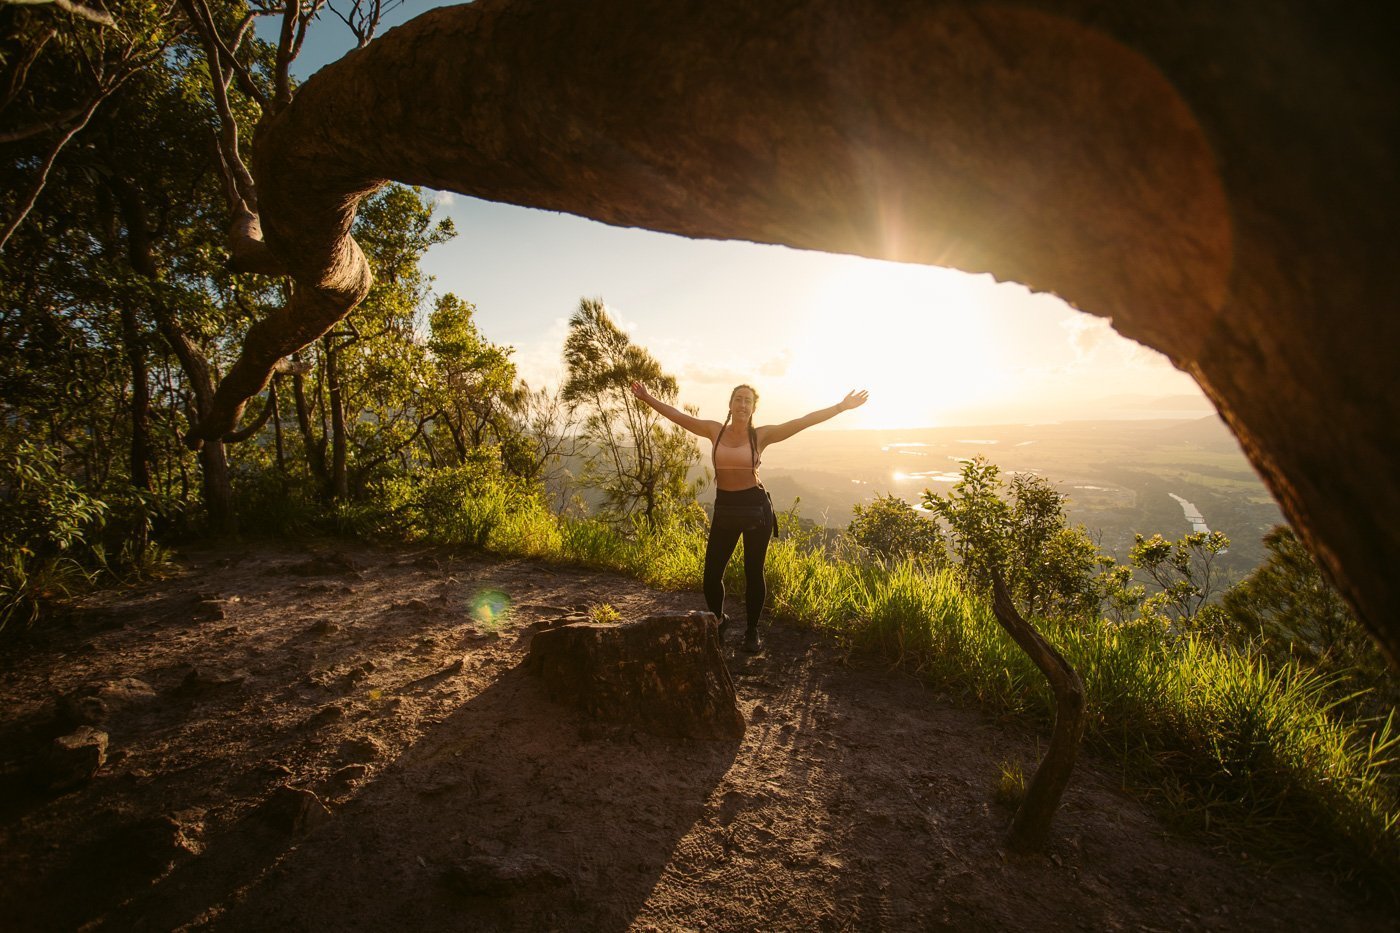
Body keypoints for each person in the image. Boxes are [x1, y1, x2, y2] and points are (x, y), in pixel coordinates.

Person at [630, 380, 869, 652]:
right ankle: (719, 622)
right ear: (730, 405)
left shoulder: (761, 435)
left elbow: (803, 421)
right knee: (711, 576)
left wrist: (841, 407)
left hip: (756, 509)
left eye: (748, 401)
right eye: (738, 399)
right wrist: (647, 398)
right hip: (725, 507)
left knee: (753, 572)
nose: (742, 405)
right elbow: (678, 416)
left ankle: (752, 631)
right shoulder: (714, 430)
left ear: (753, 408)